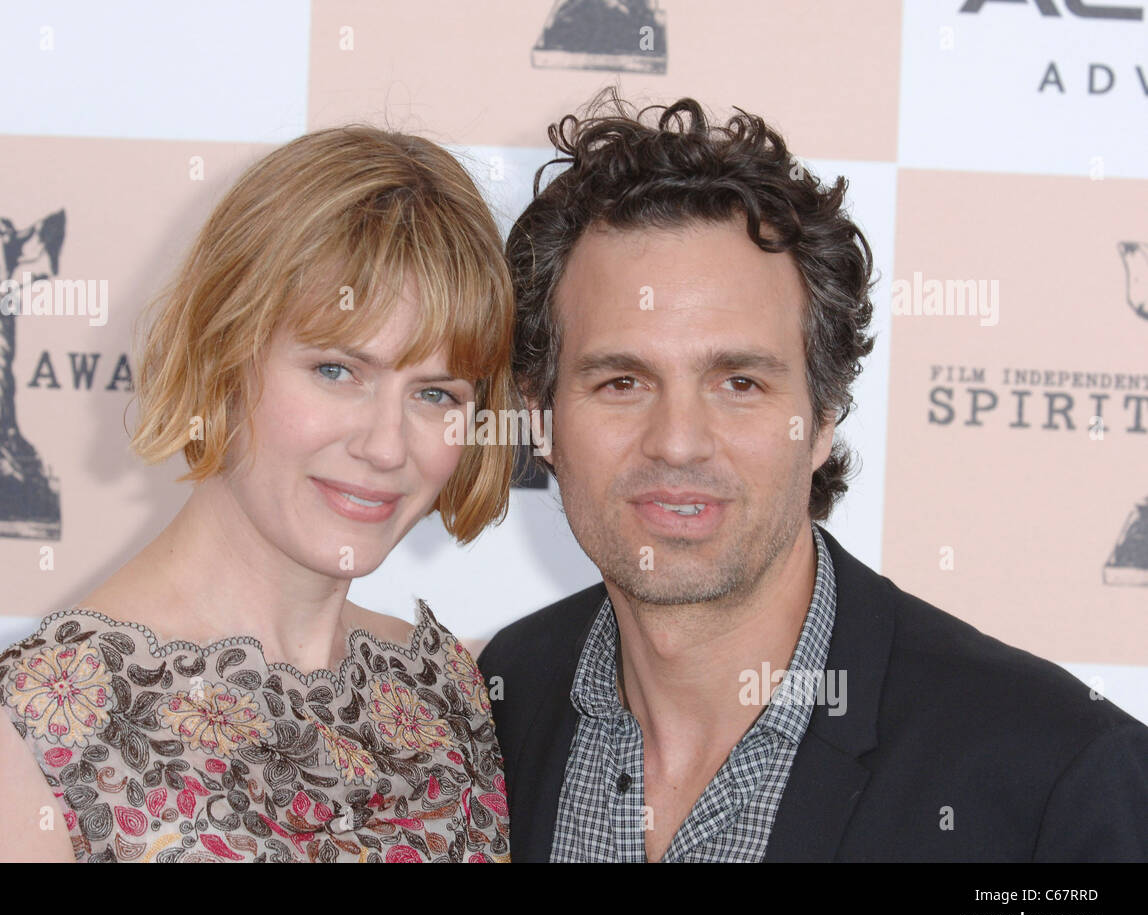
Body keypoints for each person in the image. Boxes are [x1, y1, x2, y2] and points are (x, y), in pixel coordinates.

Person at [478, 90, 1148, 862]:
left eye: (740, 383)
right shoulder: (501, 702)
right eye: (621, 382)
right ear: (541, 417)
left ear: (824, 415)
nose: (679, 443)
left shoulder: (1052, 778)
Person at [0, 126, 517, 863]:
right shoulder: (36, 733)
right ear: (223, 354)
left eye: (433, 392)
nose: (386, 445)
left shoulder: (444, 687)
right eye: (336, 371)